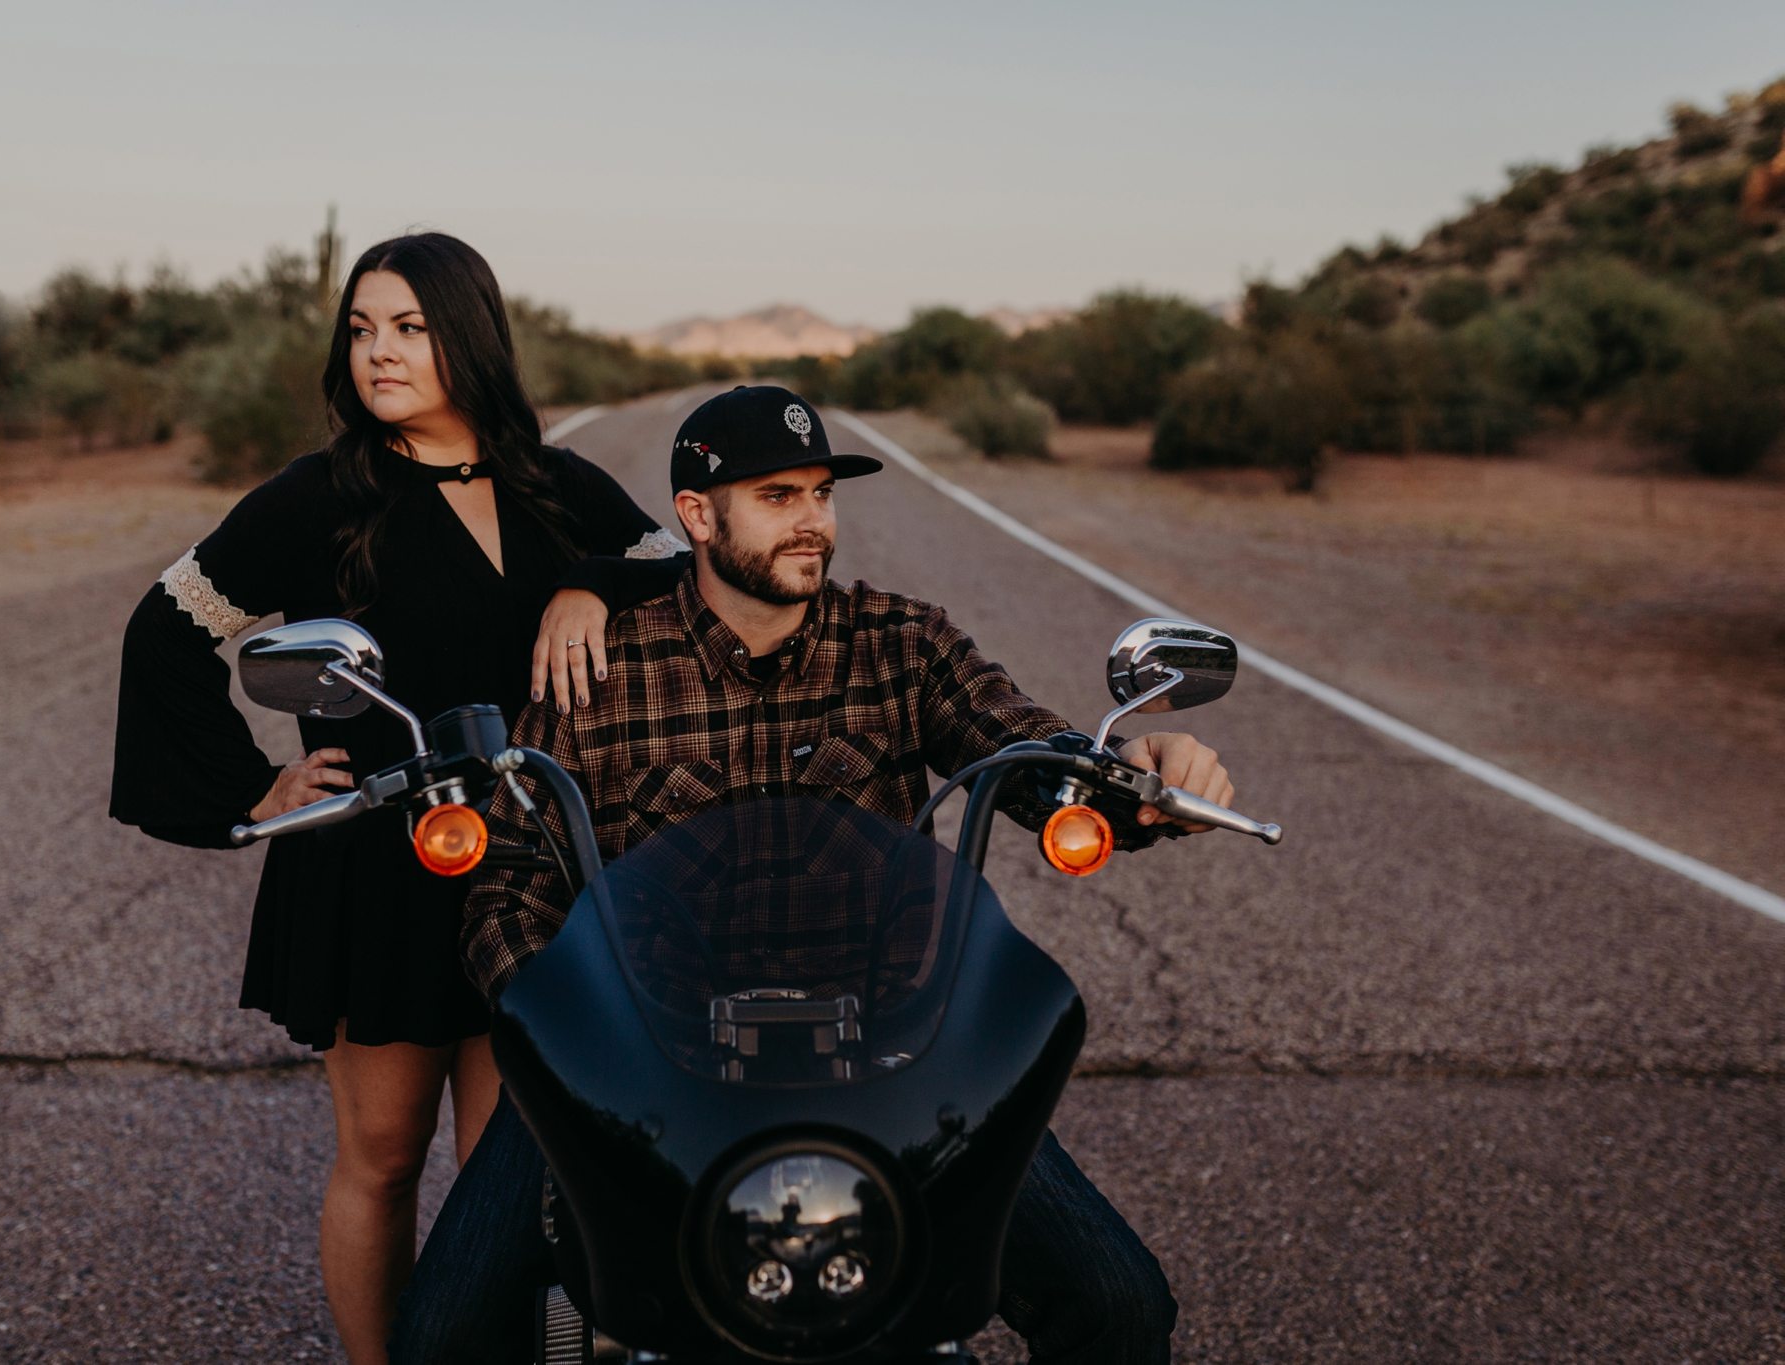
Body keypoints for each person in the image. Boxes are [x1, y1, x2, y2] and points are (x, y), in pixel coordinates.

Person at [391, 386, 1236, 1364]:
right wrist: (575, 1042)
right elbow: (507, 891)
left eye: (822, 494)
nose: (812, 521)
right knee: (440, 1339)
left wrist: (1138, 776)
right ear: (697, 515)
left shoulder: (901, 643)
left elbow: (1026, 751)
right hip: (644, 1072)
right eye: (777, 496)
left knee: (1120, 1303)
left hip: (888, 1066)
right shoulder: (601, 668)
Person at [108, 233, 688, 1365]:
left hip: (539, 871)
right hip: (379, 863)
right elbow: (164, 631)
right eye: (363, 328)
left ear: (469, 336)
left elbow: (685, 579)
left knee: (514, 1170)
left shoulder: (557, 486)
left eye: (410, 328)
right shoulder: (317, 498)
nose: (379, 352)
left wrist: (589, 584)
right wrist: (256, 783)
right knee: (382, 1155)